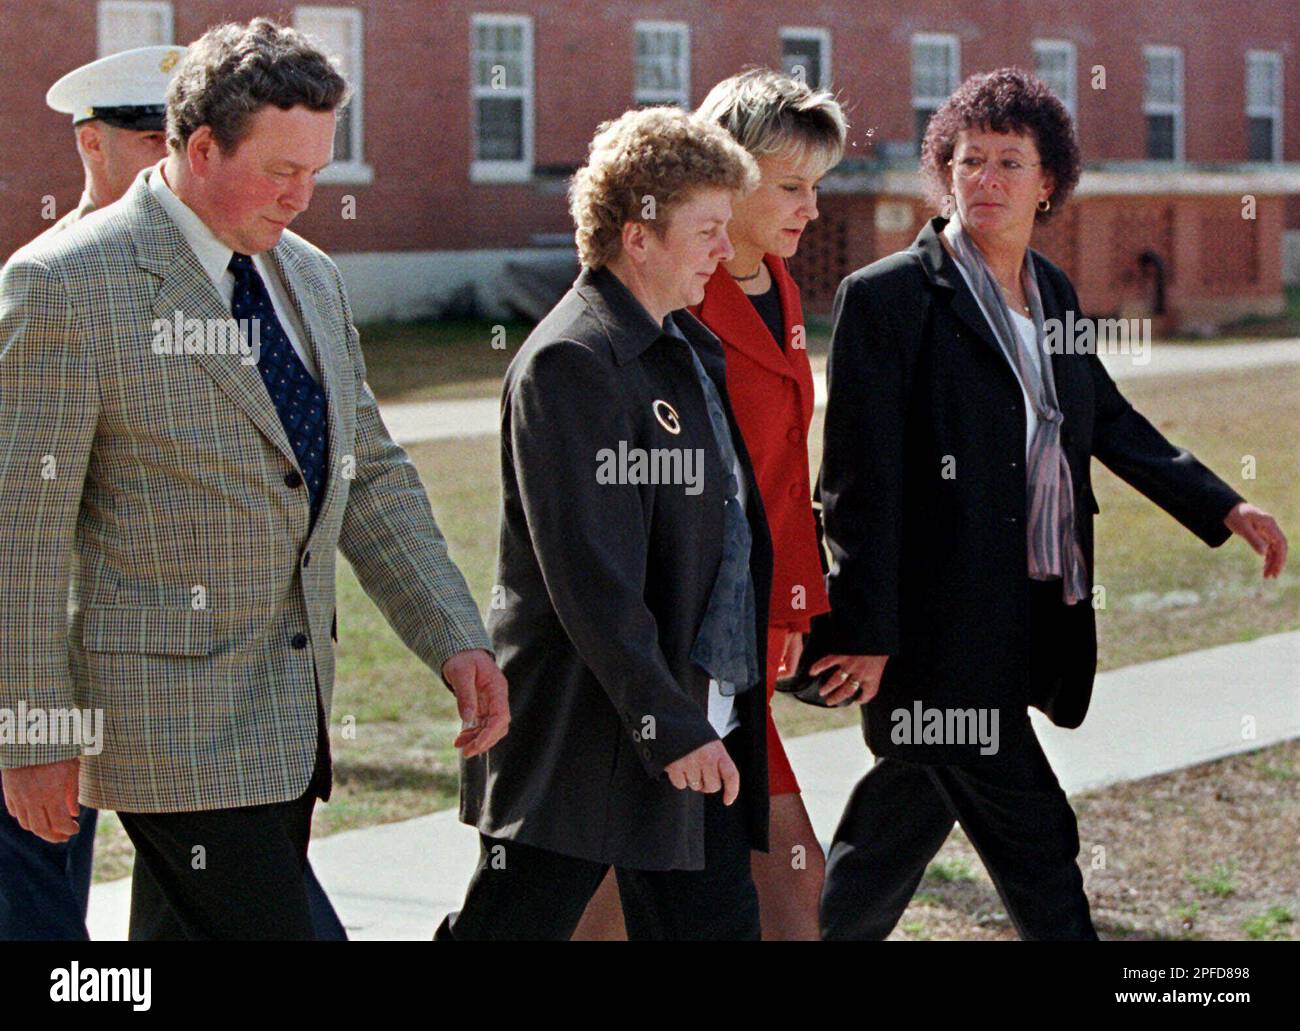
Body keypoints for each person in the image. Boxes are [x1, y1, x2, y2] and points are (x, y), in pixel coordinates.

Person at [0, 18, 508, 941]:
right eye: (282, 171)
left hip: (290, 725)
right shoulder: (65, 284)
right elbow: (20, 535)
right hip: (167, 734)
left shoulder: (306, 274)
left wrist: (454, 635)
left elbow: (374, 474)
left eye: (317, 169)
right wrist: (30, 734)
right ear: (199, 147)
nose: (305, 196)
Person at [814, 67, 1287, 941]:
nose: (984, 180)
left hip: (1026, 611)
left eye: (1008, 162)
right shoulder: (890, 298)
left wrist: (1219, 503)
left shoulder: (1054, 293)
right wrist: (867, 628)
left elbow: (1103, 415)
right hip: (936, 630)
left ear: (1048, 182)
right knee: (1036, 840)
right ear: (943, 172)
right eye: (967, 161)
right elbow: (856, 482)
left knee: (895, 828)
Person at [437, 106, 772, 941]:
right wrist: (671, 722)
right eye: (707, 230)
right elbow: (592, 577)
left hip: (682, 718)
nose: (723, 252)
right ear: (639, 236)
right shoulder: (571, 363)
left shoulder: (680, 345)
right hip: (587, 737)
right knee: (512, 928)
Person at [573, 69, 847, 942]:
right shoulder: (663, 296)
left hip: (754, 638)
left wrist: (799, 597)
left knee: (713, 887)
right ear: (726, 175)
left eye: (819, 185)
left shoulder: (780, 283)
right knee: (768, 892)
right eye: (792, 185)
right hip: (680, 647)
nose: (811, 207)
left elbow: (781, 467)